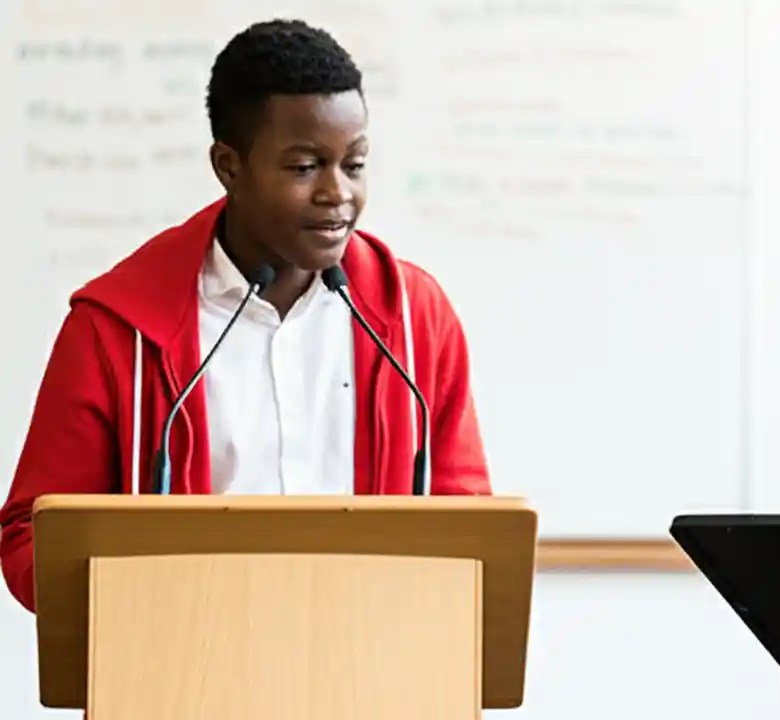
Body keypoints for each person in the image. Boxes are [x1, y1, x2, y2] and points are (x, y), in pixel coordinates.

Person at [0, 19, 491, 613]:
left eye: (354, 165)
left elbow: (472, 534)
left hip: (369, 673)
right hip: (187, 676)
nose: (338, 193)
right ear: (228, 166)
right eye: (305, 166)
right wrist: (143, 597)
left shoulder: (413, 319)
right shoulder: (119, 329)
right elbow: (32, 537)